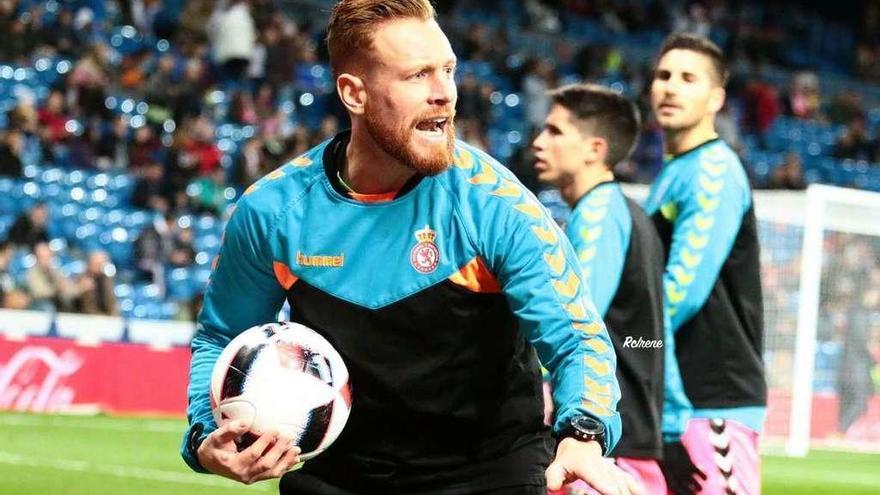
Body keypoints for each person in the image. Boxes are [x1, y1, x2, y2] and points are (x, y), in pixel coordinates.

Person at [182, 2, 640, 494]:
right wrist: (208, 434)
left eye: (448, 70)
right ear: (354, 94)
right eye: (418, 75)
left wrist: (582, 433)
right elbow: (221, 337)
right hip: (338, 477)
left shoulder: (496, 205)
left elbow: (577, 339)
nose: (444, 94)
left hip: (488, 476)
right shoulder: (274, 211)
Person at [532, 84, 692, 495]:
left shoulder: (598, 215)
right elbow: (657, 338)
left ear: (594, 148)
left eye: (554, 131)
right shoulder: (631, 213)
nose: (538, 142)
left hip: (601, 446)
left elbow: (572, 327)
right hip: (635, 441)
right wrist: (671, 428)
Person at [644, 33, 766, 495]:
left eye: (687, 78)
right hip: (676, 400)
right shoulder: (674, 172)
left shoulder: (713, 170)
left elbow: (679, 293)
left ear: (716, 98)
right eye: (663, 75)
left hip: (712, 399)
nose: (670, 87)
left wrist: (624, 341)